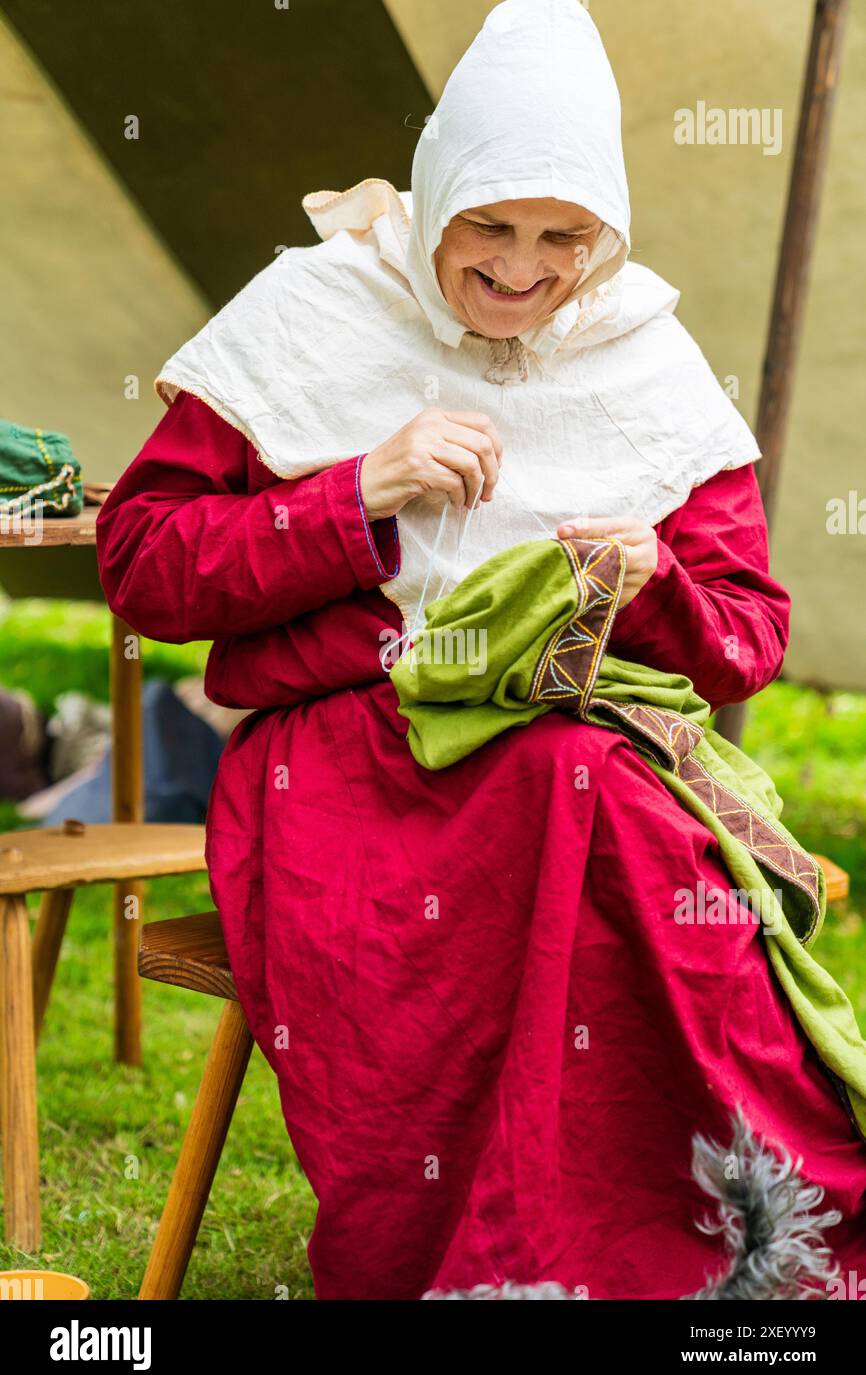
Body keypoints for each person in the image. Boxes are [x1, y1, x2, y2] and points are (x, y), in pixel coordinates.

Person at [97, 0, 866, 1299]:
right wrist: (351, 493)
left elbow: (743, 642)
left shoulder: (642, 354)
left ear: (605, 234)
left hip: (569, 749)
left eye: (562, 236)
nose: (522, 268)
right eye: (487, 229)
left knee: (608, 813)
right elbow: (143, 563)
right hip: (341, 753)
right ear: (435, 198)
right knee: (568, 806)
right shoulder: (314, 306)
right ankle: (503, 1265)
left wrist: (653, 581)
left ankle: (726, 1258)